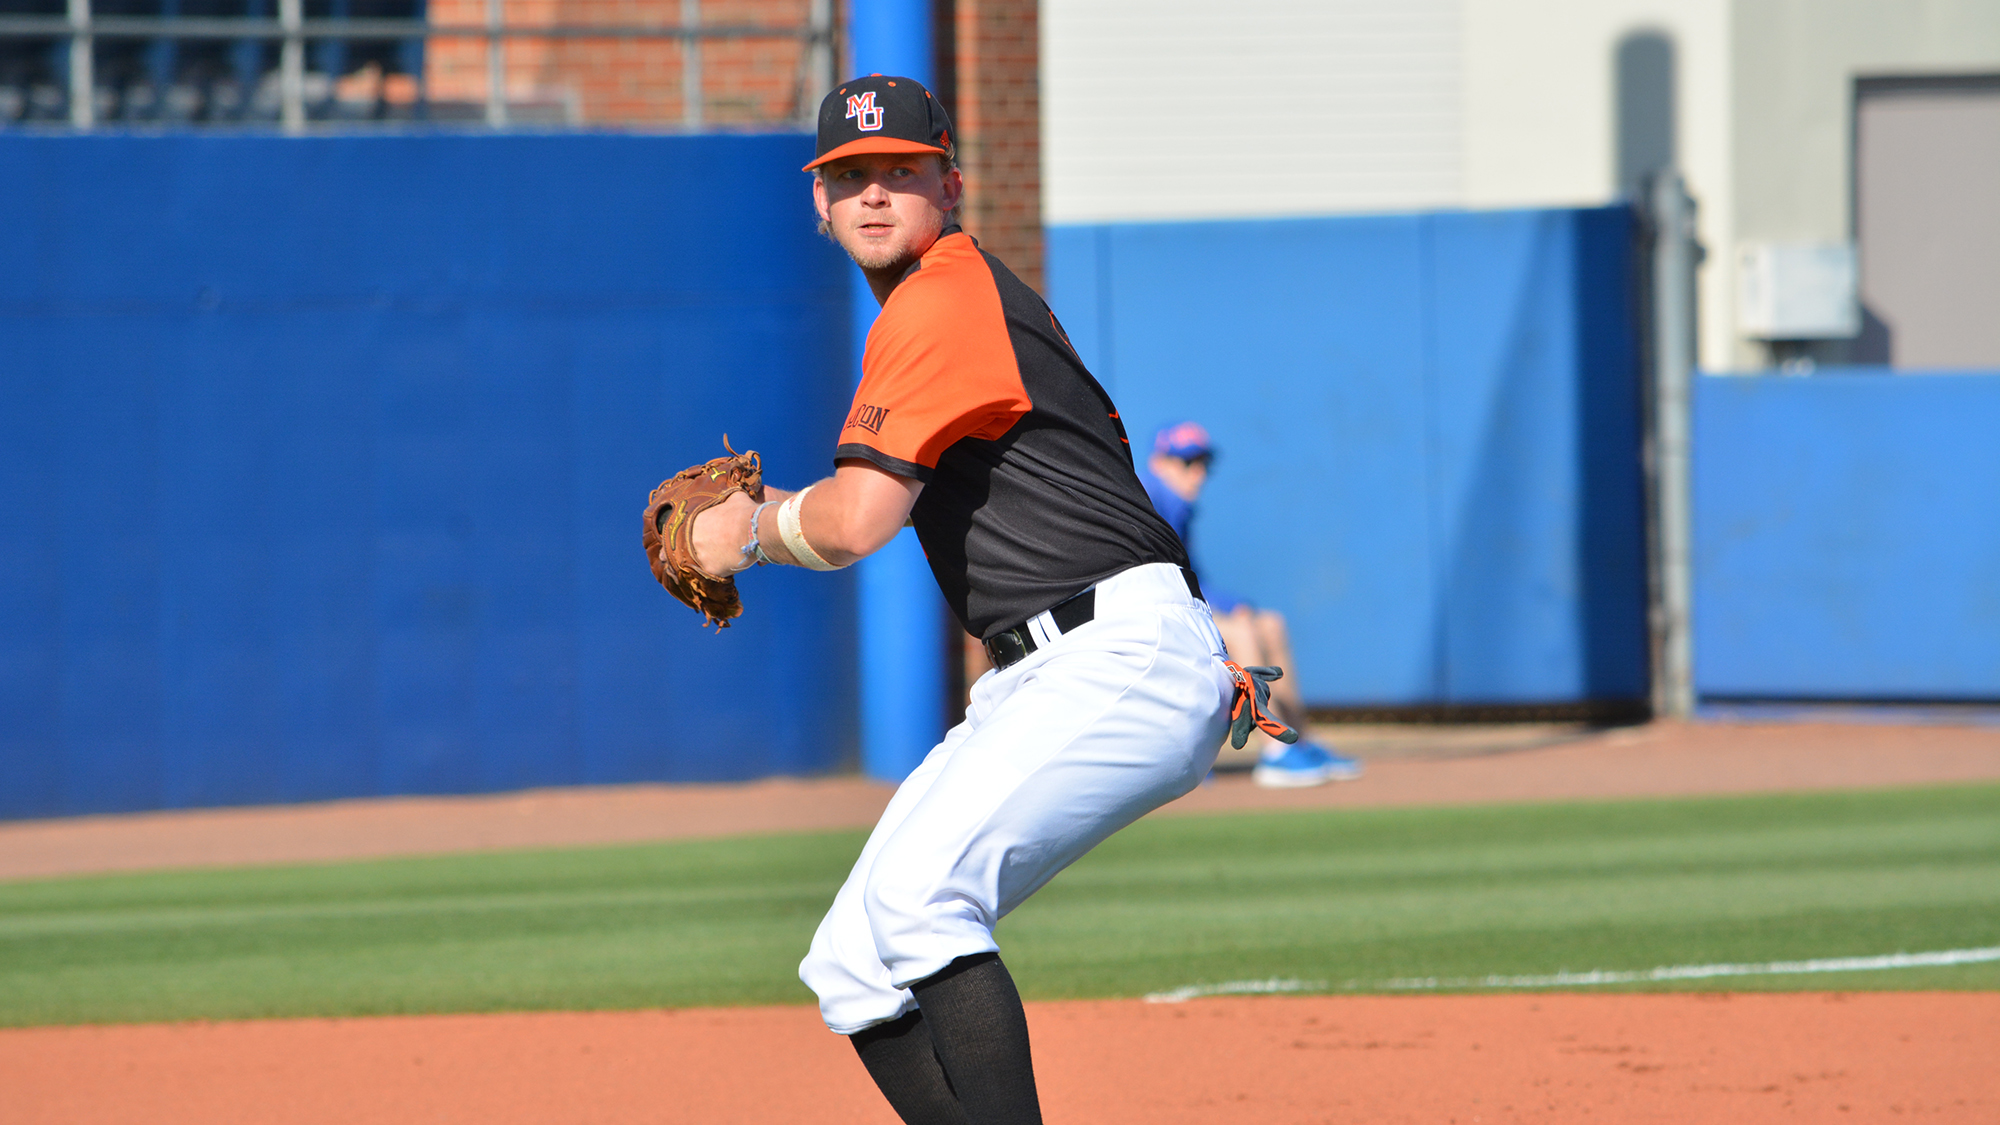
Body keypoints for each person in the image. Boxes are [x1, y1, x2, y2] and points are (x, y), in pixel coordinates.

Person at [685, 75, 1264, 1125]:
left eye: (898, 173)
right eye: (848, 177)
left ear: (947, 183)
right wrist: (768, 515)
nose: (872, 195)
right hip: (1063, 663)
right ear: (818, 204)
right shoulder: (944, 303)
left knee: (918, 904)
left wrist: (750, 534)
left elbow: (859, 519)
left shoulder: (942, 299)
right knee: (853, 960)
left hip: (1112, 654)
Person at [1139, 421, 1363, 788]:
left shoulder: (1177, 504)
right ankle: (1275, 752)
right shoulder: (1151, 496)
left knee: (1270, 623)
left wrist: (1233, 602)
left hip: (1176, 605)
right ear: (1159, 462)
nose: (1197, 472)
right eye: (1186, 462)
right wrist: (1226, 608)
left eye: (1202, 463)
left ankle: (1298, 741)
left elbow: (1190, 572)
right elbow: (1162, 575)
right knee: (1242, 629)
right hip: (1148, 613)